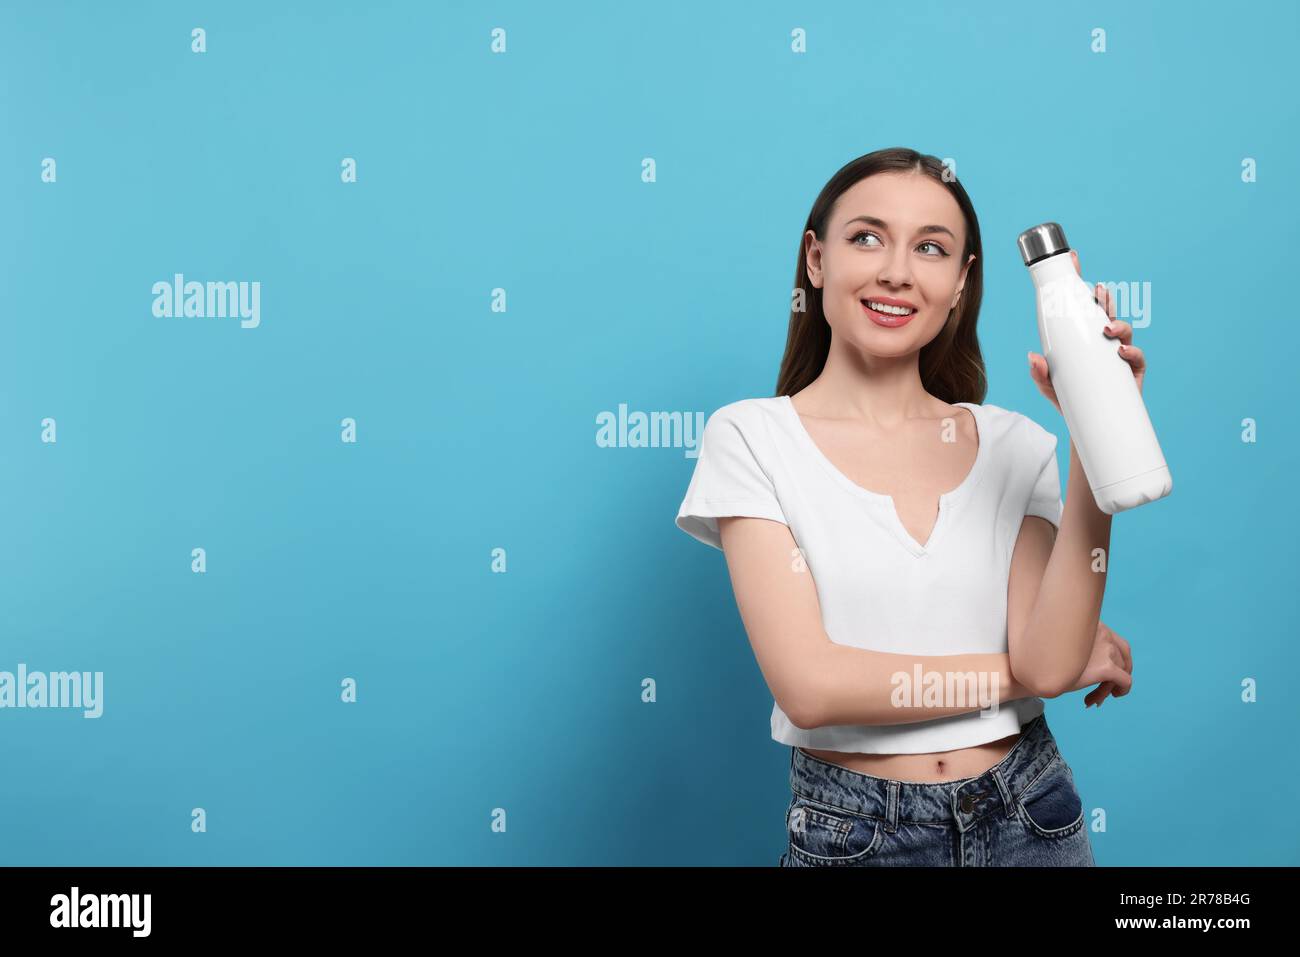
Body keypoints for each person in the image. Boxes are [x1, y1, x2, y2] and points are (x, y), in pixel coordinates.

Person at [674, 147, 1140, 866]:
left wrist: (1096, 433)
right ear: (816, 258)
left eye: (931, 247)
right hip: (858, 834)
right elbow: (812, 687)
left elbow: (1049, 661)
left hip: (1033, 817)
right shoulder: (752, 438)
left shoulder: (1016, 444)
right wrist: (1026, 671)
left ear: (960, 284)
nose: (896, 270)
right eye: (867, 237)